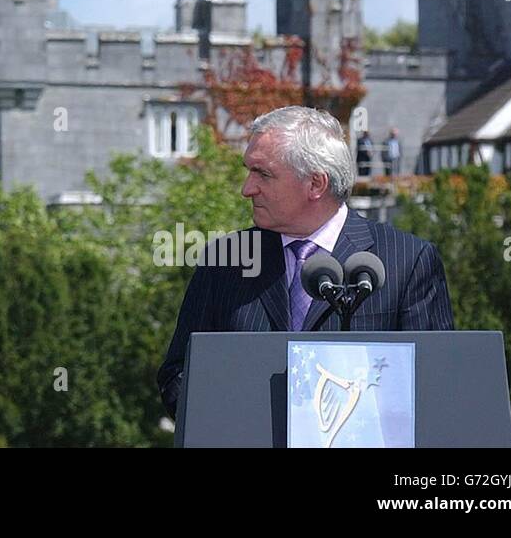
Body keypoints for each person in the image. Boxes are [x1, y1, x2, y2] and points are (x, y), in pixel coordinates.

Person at [156, 106, 454, 421]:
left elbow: (437, 386)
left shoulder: (407, 262)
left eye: (263, 173)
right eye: (249, 170)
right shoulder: (226, 259)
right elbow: (178, 376)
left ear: (315, 184)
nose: (247, 188)